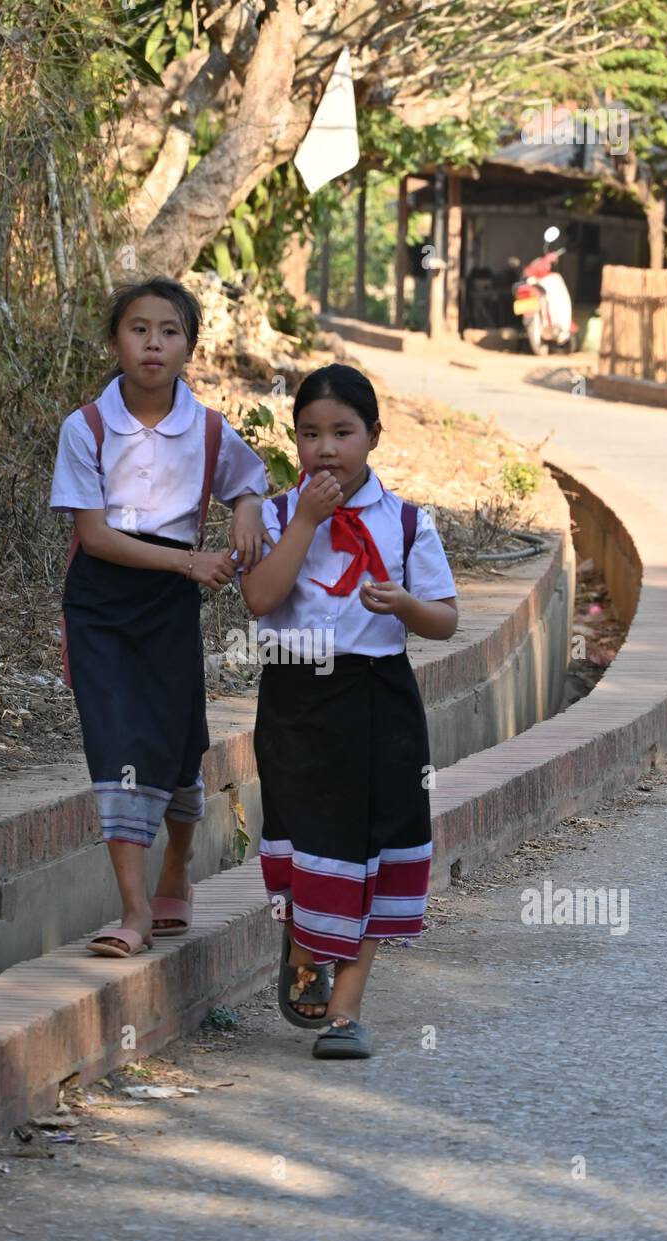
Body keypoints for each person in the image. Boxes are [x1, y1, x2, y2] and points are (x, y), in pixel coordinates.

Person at [239, 364, 458, 1059]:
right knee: (310, 840)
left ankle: (345, 1013)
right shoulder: (276, 514)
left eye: (343, 432)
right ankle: (306, 944)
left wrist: (408, 607)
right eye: (310, 434)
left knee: (376, 843)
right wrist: (306, 519)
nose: (326, 448)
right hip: (298, 698)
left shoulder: (407, 523)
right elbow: (261, 599)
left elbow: (446, 620)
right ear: (294, 440)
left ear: (374, 437)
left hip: (379, 698)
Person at [50, 277, 267, 956]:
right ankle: (135, 910)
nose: (153, 343)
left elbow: (248, 478)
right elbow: (96, 536)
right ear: (116, 341)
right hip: (102, 602)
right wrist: (190, 564)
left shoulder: (205, 429)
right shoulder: (86, 427)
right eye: (138, 329)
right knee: (115, 743)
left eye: (169, 331)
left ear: (189, 347)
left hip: (169, 610)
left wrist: (247, 510)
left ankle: (177, 869)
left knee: (178, 748)